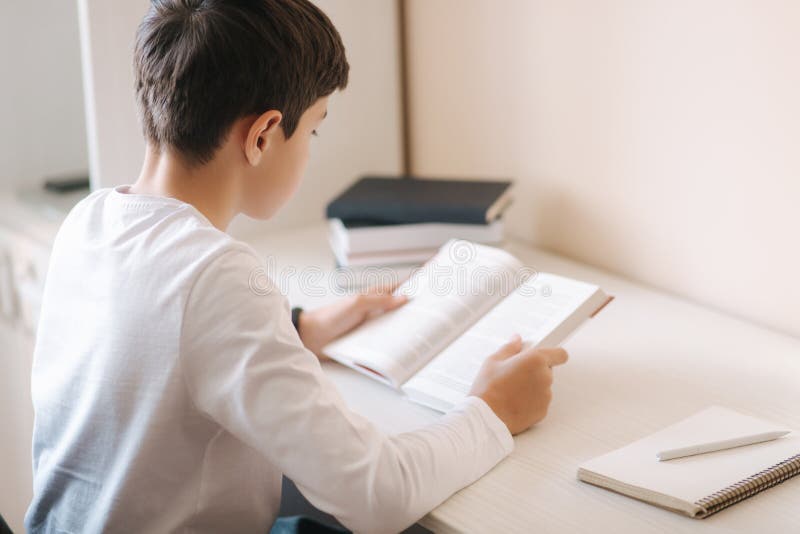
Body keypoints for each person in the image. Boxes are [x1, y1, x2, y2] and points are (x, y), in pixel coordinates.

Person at [26, 1, 568, 532]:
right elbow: (378, 495)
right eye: (313, 129)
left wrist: (299, 329)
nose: (310, 147)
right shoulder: (215, 275)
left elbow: (160, 349)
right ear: (262, 136)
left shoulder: (88, 221)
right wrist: (491, 412)